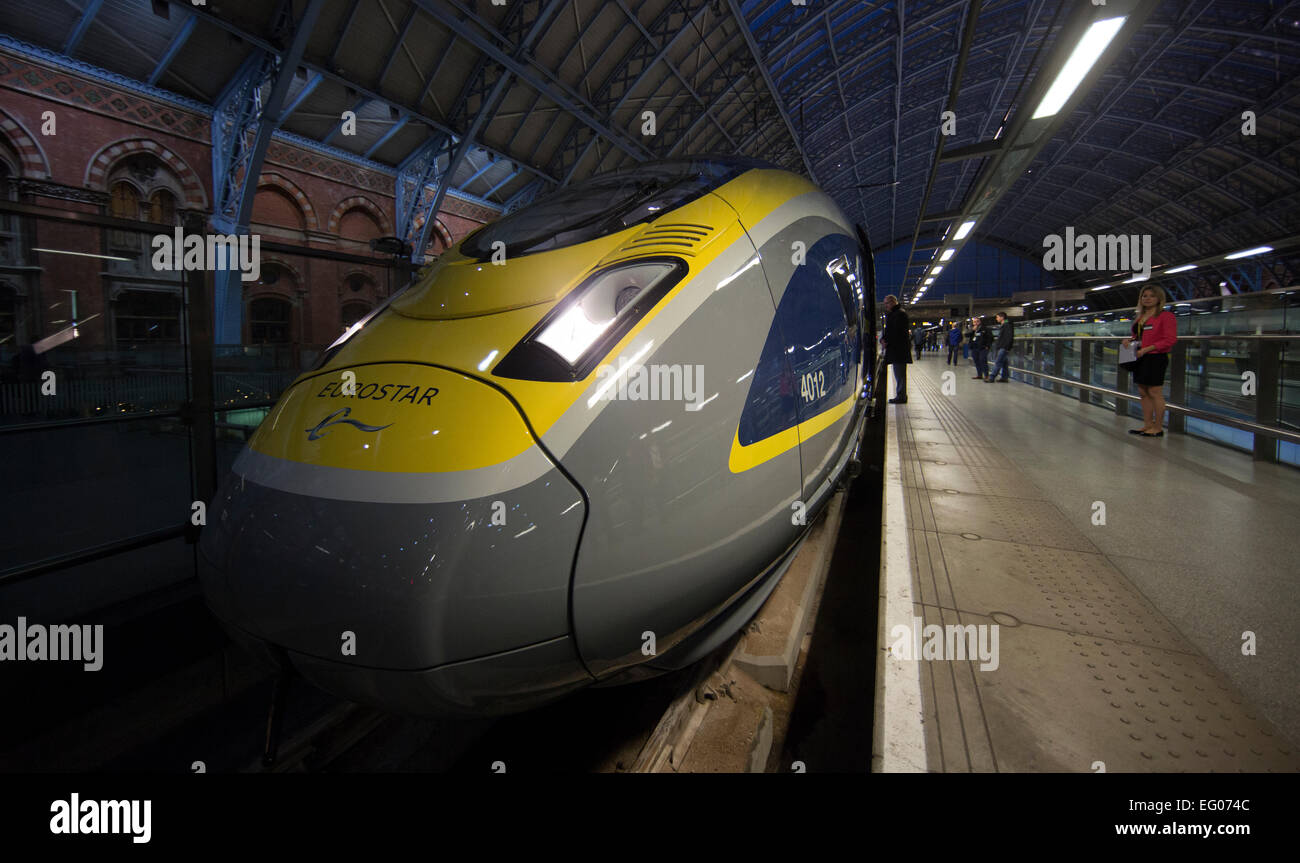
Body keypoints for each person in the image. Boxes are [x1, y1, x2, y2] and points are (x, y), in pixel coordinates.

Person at [1123, 285, 1178, 436]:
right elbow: (1140, 336)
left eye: (1151, 296)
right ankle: (1148, 424)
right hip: (1140, 356)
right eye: (1144, 296)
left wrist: (1147, 349)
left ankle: (1158, 427)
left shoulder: (1165, 316)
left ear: (1159, 298)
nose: (1147, 298)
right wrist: (1129, 340)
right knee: (1142, 391)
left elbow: (1170, 339)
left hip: (1155, 357)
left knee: (1154, 391)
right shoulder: (1141, 317)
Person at [882, 295, 912, 403]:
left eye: (887, 303)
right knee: (898, 374)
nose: (886, 306)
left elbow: (896, 332)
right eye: (885, 304)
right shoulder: (895, 314)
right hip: (897, 351)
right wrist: (884, 339)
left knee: (900, 375)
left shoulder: (900, 314)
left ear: (894, 302)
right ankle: (900, 395)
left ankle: (901, 396)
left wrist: (887, 340)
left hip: (899, 351)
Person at [986, 312, 1014, 382]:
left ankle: (992, 377)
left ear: (1002, 317)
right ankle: (1005, 377)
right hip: (1002, 346)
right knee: (1004, 363)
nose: (996, 319)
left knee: (998, 362)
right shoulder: (1004, 325)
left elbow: (1008, 337)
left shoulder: (1007, 325)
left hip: (1004, 347)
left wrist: (1006, 347)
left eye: (997, 317)